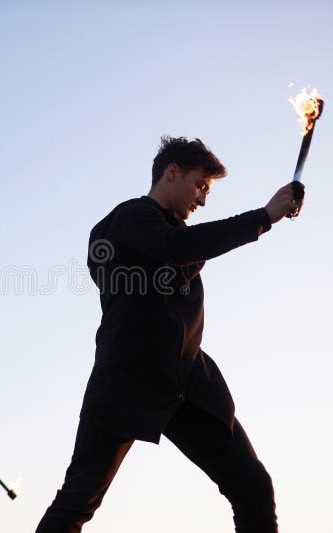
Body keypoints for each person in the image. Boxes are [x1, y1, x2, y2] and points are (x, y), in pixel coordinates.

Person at [36, 136, 304, 533]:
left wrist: (276, 208)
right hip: (126, 380)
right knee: (78, 500)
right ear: (172, 173)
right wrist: (262, 217)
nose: (203, 200)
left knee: (252, 485)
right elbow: (175, 246)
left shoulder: (177, 243)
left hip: (187, 382)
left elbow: (185, 251)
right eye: (200, 186)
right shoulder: (130, 218)